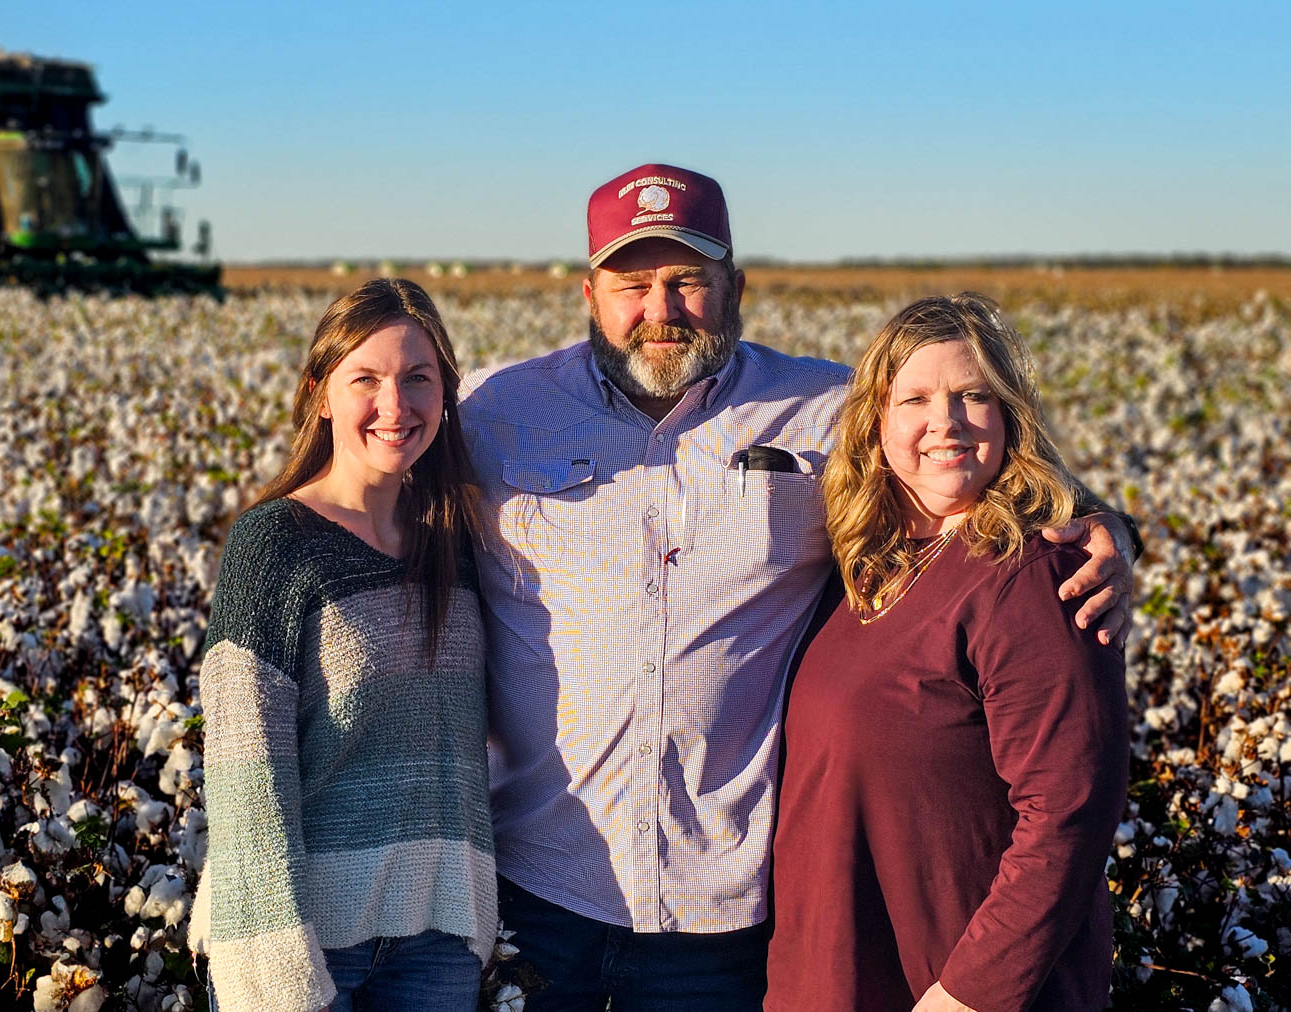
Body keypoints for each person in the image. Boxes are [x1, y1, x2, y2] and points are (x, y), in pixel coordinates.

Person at [457, 164, 1136, 1009]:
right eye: (633, 284)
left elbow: (955, 458)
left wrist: (1097, 528)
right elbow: (371, 474)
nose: (660, 310)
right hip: (541, 893)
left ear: (735, 286)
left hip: (726, 923)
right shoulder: (491, 411)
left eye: (688, 281)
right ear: (591, 293)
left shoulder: (826, 411)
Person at [764, 293, 1129, 1011]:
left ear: (1011, 418)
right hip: (836, 974)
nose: (946, 423)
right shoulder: (867, 567)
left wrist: (970, 994)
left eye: (973, 396)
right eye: (916, 399)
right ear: (876, 422)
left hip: (951, 988)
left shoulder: (1033, 576)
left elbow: (1070, 809)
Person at [190, 278, 497, 1012]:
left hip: (441, 940)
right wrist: (279, 979)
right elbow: (245, 775)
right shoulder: (275, 545)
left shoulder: (452, 544)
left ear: (446, 395)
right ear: (321, 394)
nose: (396, 406)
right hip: (311, 945)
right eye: (367, 379)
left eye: (418, 379)